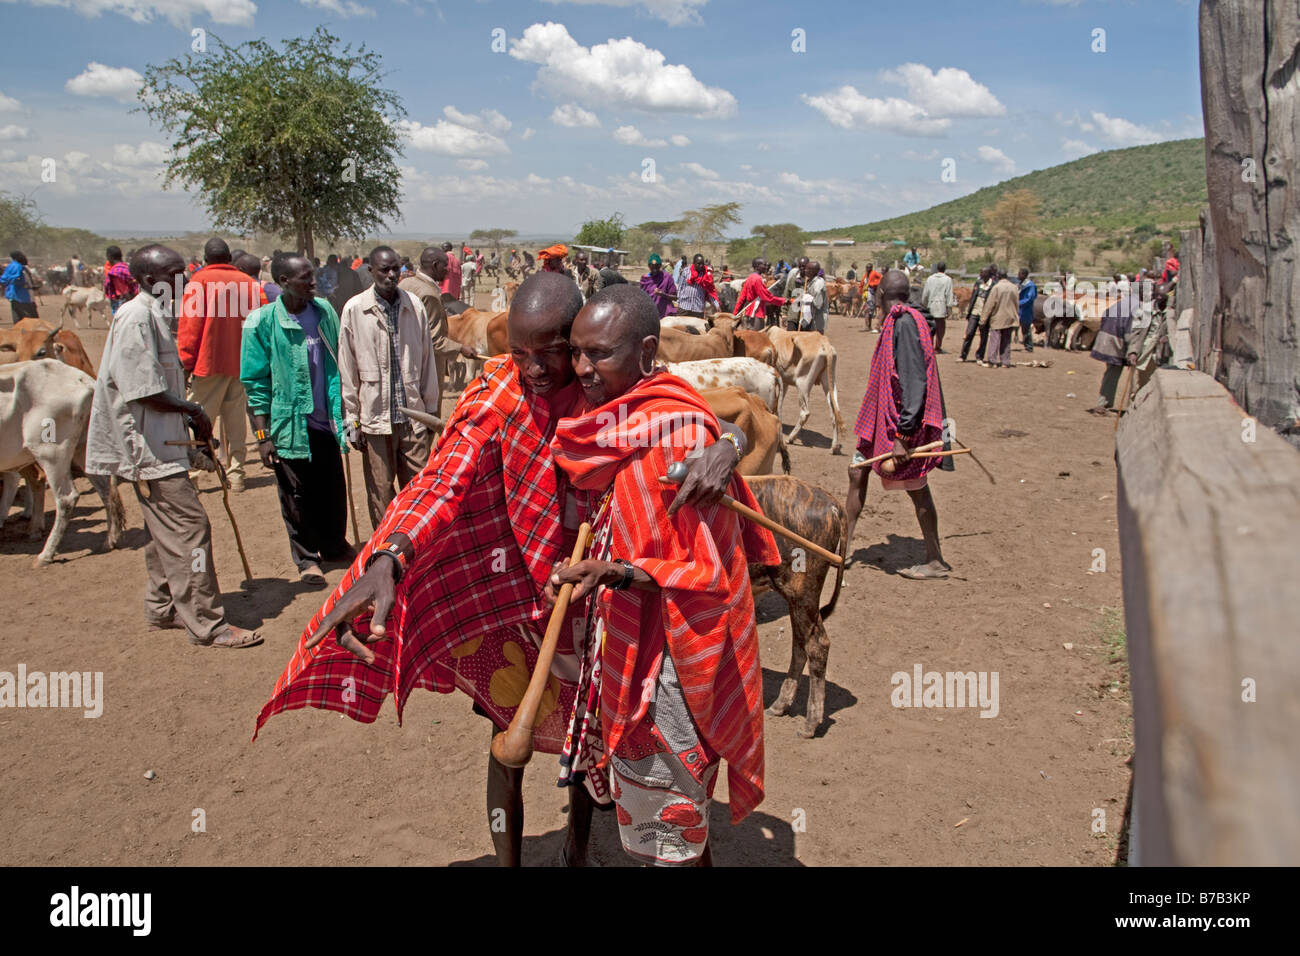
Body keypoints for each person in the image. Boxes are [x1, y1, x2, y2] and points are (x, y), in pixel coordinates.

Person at [253, 271, 744, 866]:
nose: (535, 369)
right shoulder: (501, 394)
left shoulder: (623, 394)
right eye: (519, 353)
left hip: (619, 611)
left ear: (580, 342)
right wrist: (389, 556)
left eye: (552, 354)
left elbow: (696, 418)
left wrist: (726, 446)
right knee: (504, 739)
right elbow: (440, 480)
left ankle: (577, 848)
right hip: (527, 602)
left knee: (596, 744)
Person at [545, 283, 779, 865]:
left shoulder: (685, 442)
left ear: (647, 351)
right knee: (654, 817)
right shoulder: (606, 420)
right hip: (621, 636)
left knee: (675, 819)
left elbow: (707, 573)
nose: (582, 368)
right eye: (576, 351)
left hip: (671, 655)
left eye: (599, 353)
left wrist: (618, 572)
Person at [86, 244, 262, 649]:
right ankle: (208, 623)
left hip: (162, 440)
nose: (185, 279)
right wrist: (192, 410)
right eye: (177, 273)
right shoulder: (136, 317)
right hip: (147, 448)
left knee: (162, 529)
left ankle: (162, 606)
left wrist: (186, 419)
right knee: (190, 528)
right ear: (150, 280)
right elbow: (142, 391)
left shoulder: (156, 315)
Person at [241, 253, 353, 585]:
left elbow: (339, 363)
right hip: (288, 426)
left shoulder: (324, 312)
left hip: (326, 421)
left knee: (332, 488)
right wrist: (263, 438)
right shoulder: (260, 322)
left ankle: (333, 546)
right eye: (306, 278)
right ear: (284, 282)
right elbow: (255, 383)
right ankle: (307, 558)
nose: (314, 282)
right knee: (295, 495)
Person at [846, 269, 953, 580]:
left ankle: (935, 561)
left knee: (917, 487)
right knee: (857, 471)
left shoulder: (905, 324)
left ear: (881, 296)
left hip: (901, 424)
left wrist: (903, 436)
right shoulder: (904, 319)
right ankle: (842, 550)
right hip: (881, 420)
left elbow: (914, 381)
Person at [338, 246, 441, 531]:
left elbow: (427, 361)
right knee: (381, 494)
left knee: (419, 489)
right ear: (371, 271)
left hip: (412, 418)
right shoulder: (355, 309)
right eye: (384, 269)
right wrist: (351, 423)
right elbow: (347, 370)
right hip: (374, 420)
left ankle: (417, 550)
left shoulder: (414, 306)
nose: (391, 275)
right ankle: (385, 551)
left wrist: (430, 410)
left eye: (396, 268)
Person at [177, 237, 263, 493]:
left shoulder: (198, 282)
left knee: (198, 420)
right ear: (229, 259)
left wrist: (186, 363)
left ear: (206, 259)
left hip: (208, 364)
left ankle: (193, 473)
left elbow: (190, 329)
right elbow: (261, 324)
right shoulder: (249, 284)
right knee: (235, 422)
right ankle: (236, 475)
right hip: (242, 365)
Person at [399, 246, 477, 414]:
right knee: (429, 419)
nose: (448, 271)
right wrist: (461, 348)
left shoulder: (406, 283)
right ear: (435, 265)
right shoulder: (429, 295)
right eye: (445, 266)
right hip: (427, 368)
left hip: (404, 361)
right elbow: (434, 340)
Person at [1088, 288, 1143, 414]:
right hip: (1116, 341)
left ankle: (1104, 403)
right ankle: (1103, 406)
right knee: (1115, 374)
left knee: (1111, 373)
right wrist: (1132, 351)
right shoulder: (1137, 306)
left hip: (1106, 337)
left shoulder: (1123, 302)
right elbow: (1130, 331)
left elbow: (1105, 314)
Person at [981, 268, 1020, 368]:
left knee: (995, 339)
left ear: (998, 276)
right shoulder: (1014, 287)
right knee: (1006, 340)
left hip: (998, 317)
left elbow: (990, 304)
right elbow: (1017, 304)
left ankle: (992, 361)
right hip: (1010, 317)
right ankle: (1005, 362)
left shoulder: (996, 287)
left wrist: (983, 319)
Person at [734, 257, 786, 330]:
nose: (766, 267)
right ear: (757, 266)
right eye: (764, 265)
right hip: (756, 312)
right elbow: (767, 297)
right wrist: (783, 301)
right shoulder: (757, 279)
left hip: (748, 312)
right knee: (756, 338)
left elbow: (742, 298)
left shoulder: (750, 277)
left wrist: (735, 313)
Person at [959, 266, 994, 362]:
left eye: (982, 272)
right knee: (969, 333)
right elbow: (973, 297)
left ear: (988, 274)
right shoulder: (978, 283)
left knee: (983, 336)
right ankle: (963, 355)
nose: (980, 274)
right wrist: (969, 311)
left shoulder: (992, 286)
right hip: (974, 312)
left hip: (985, 314)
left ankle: (979, 356)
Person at [919, 262, 956, 353]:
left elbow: (925, 294)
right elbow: (949, 295)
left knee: (930, 326)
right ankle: (938, 347)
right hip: (941, 306)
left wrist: (924, 304)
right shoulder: (948, 280)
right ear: (945, 269)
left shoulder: (930, 279)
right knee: (940, 328)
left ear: (937, 268)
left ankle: (929, 345)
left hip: (930, 305)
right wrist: (949, 308)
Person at [1, 251, 39, 322]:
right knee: (31, 319)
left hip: (12, 295)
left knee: (18, 319)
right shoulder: (18, 266)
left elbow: (3, 279)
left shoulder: (9, 266)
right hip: (22, 296)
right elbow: (17, 278)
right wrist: (21, 283)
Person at [675, 253, 716, 318]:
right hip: (684, 307)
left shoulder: (706, 275)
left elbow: (709, 290)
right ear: (693, 263)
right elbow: (680, 288)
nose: (701, 266)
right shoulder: (686, 272)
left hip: (698, 309)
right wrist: (678, 302)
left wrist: (716, 304)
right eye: (698, 264)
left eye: (702, 264)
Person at [638, 253, 677, 318]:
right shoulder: (644, 279)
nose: (654, 269)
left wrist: (663, 294)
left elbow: (675, 297)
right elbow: (642, 298)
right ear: (649, 266)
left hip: (665, 315)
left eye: (657, 266)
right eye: (652, 266)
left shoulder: (667, 277)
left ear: (660, 266)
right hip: (650, 314)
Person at [794, 259, 828, 332]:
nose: (805, 270)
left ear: (814, 271)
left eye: (808, 269)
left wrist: (806, 298)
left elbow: (818, 304)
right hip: (809, 319)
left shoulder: (818, 284)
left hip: (816, 321)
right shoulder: (810, 281)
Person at [103, 245, 138, 316]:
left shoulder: (116, 272)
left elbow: (124, 292)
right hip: (136, 299)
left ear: (109, 257)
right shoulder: (127, 267)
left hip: (124, 305)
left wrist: (132, 307)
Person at [1017, 268, 1037, 353]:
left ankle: (1029, 347)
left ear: (1024, 275)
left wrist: (1018, 303)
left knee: (1026, 328)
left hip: (1026, 310)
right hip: (1020, 309)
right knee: (1023, 328)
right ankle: (1027, 346)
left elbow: (1029, 298)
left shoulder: (1030, 285)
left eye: (1019, 274)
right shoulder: (1021, 284)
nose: (1018, 275)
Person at [864, 263, 883, 330]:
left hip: (873, 291)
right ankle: (868, 326)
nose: (867, 269)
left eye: (868, 268)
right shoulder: (866, 274)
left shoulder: (874, 273)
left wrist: (874, 283)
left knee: (870, 309)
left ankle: (871, 326)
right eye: (866, 267)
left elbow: (881, 277)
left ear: (871, 268)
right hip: (867, 292)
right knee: (867, 309)